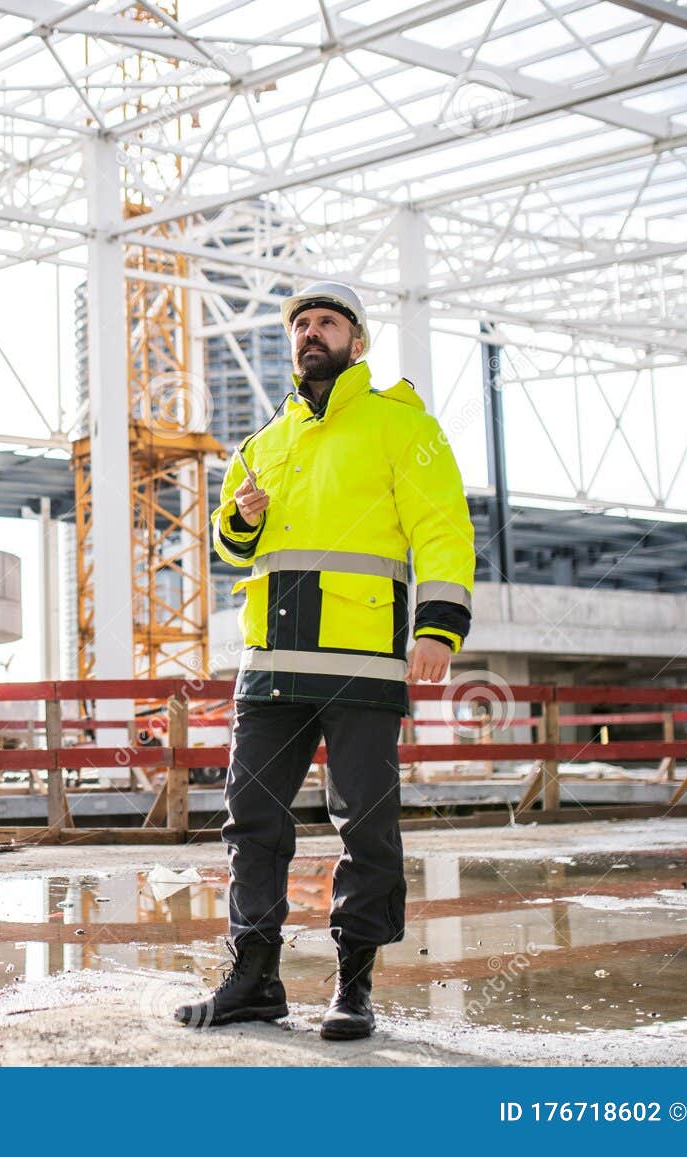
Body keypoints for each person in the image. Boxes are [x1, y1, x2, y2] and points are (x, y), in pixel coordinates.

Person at [174, 282, 475, 1039]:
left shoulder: (401, 426)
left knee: (366, 827)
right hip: (270, 663)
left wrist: (438, 628)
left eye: (328, 322)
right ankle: (253, 980)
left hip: (362, 661)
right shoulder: (264, 442)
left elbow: (442, 528)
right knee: (251, 822)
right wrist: (240, 520)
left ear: (357, 342)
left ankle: (354, 986)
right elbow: (229, 546)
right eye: (302, 323)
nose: (311, 332)